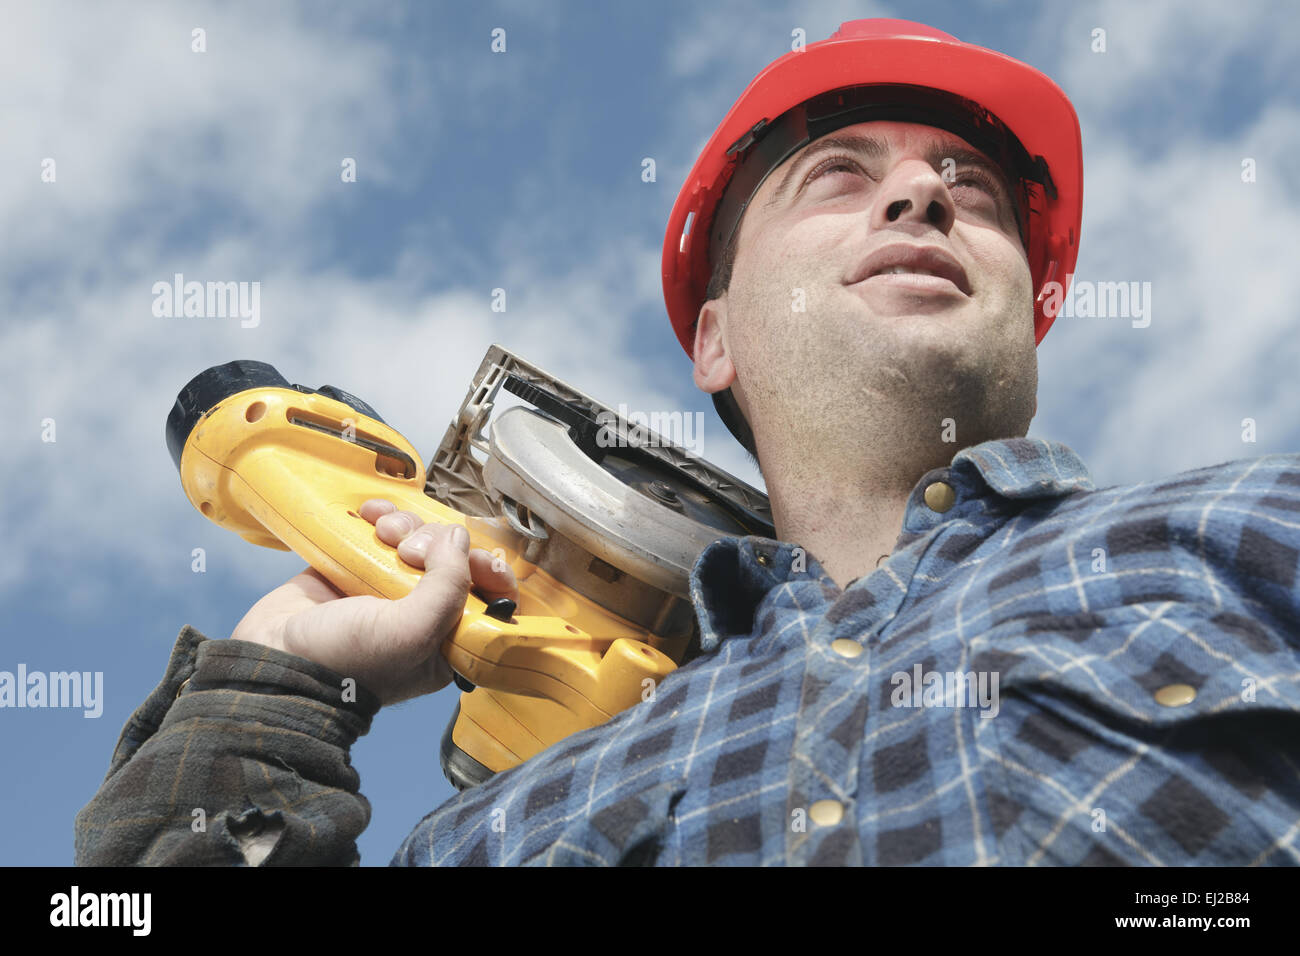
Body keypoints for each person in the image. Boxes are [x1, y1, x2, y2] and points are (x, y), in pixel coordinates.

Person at [76, 19, 1300, 866]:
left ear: (1028, 310)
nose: (922, 196)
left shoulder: (1252, 535)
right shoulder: (502, 821)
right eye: (837, 173)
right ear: (713, 337)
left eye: (969, 190)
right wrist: (278, 681)